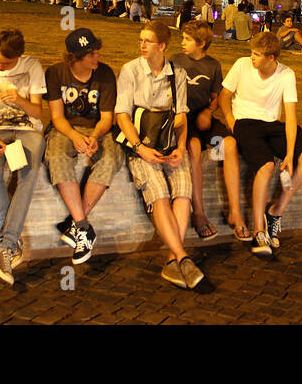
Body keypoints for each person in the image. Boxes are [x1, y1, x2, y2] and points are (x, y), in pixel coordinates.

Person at [116, 20, 204, 289]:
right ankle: (182, 256)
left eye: (148, 41)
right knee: (159, 193)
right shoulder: (130, 70)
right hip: (141, 145)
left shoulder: (176, 73)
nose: (142, 45)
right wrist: (140, 148)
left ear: (162, 46)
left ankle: (171, 261)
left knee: (183, 192)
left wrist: (180, 148)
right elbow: (122, 115)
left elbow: (181, 115)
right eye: (141, 40)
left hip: (169, 144)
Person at [219, 32, 302, 256]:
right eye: (252, 53)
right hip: (245, 123)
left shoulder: (286, 74)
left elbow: (291, 116)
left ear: (271, 58)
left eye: (257, 55)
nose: (251, 58)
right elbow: (224, 96)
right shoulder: (242, 65)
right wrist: (232, 122)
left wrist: (290, 154)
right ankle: (259, 231)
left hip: (272, 124)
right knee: (266, 167)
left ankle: (275, 211)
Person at [0, 28, 47, 285]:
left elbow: (37, 113)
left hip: (27, 129)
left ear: (19, 56)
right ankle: (9, 241)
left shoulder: (32, 66)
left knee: (28, 172)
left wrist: (18, 99)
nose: (1, 67)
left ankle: (5, 244)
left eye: (6, 63)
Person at [44, 29, 122, 264]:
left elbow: (107, 118)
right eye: (91, 55)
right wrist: (75, 136)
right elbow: (57, 117)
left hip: (97, 128)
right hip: (66, 128)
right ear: (75, 58)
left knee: (110, 158)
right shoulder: (56, 73)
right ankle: (83, 227)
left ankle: (76, 225)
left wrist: (95, 136)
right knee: (57, 156)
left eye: (97, 52)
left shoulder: (105, 74)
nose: (97, 58)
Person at [174, 20, 243, 240]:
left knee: (228, 144)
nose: (182, 42)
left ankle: (235, 212)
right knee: (194, 147)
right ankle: (200, 214)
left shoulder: (213, 66)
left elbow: (215, 98)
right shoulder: (175, 61)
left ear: (202, 43)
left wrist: (208, 112)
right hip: (184, 120)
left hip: (203, 120)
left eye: (187, 39)